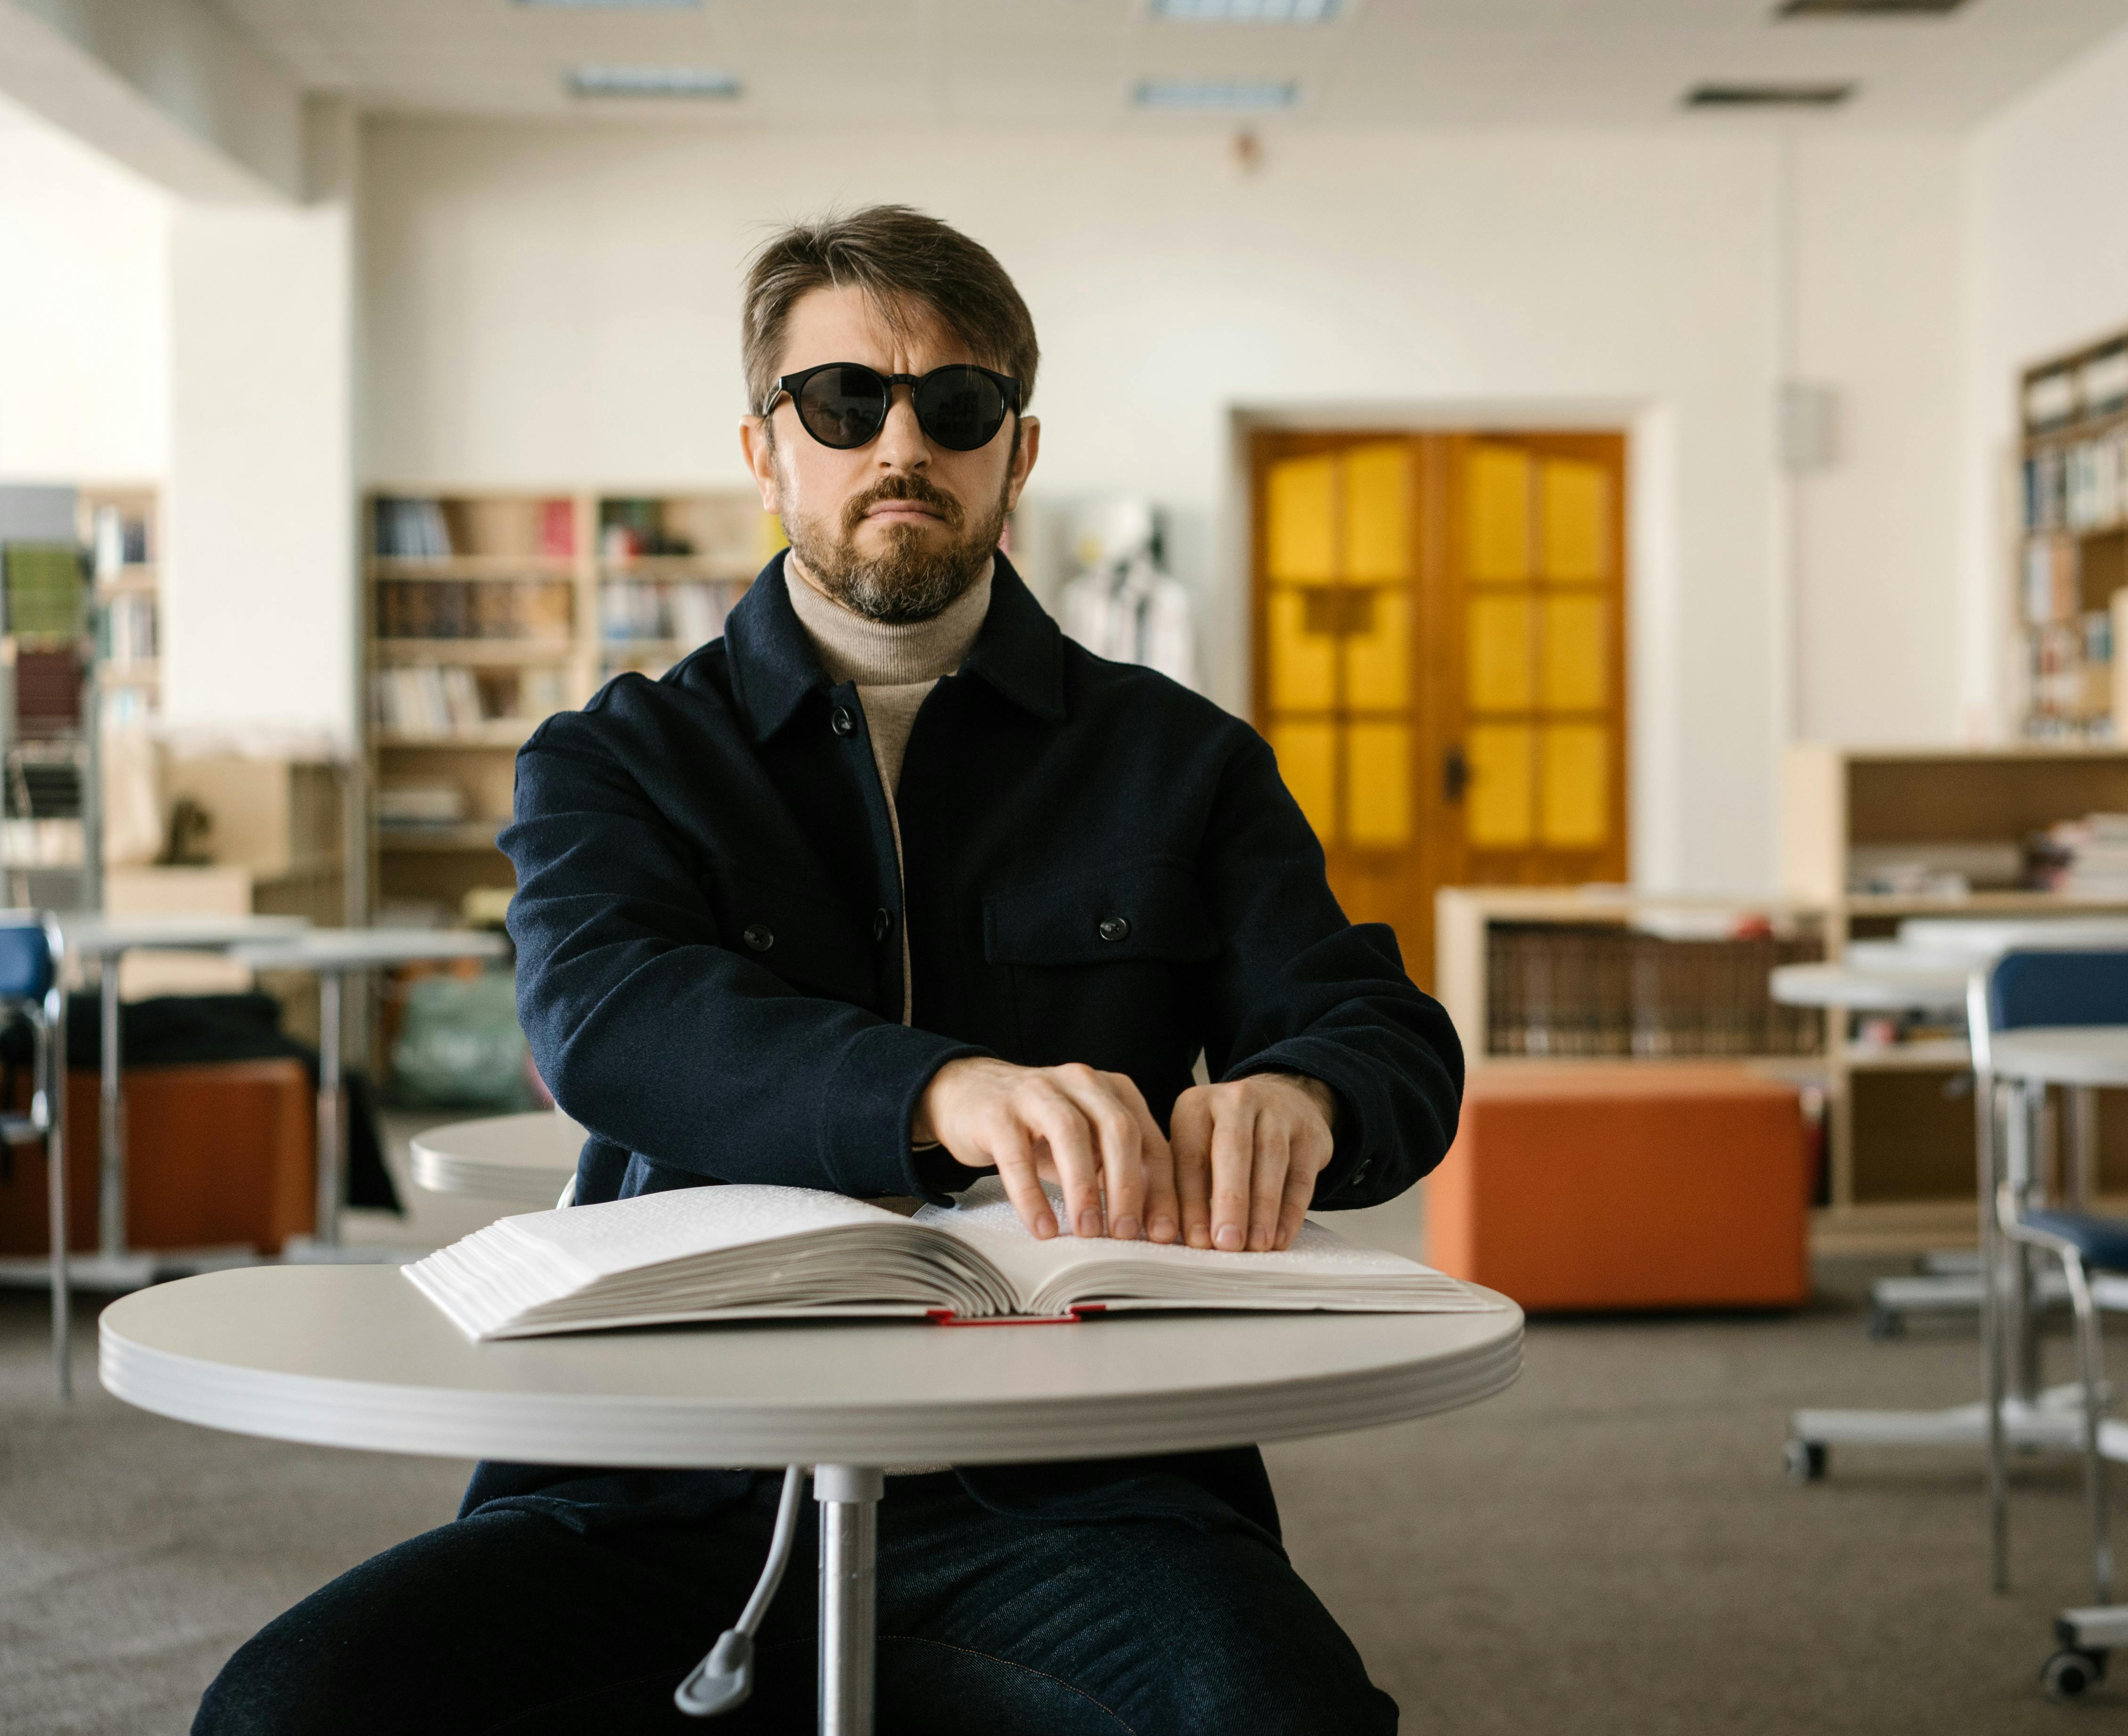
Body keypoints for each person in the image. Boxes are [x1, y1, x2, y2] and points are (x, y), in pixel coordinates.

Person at [195, 205, 1462, 1734]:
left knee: (1283, 1718)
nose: (900, 444)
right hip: (651, 1482)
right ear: (766, 448)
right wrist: (945, 1088)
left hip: (1073, 1495)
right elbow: (607, 1019)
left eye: (958, 405)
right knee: (286, 1711)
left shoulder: (1182, 761)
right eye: (846, 402)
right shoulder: (617, 758)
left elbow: (1380, 1024)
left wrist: (1309, 1092)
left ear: (1019, 451)